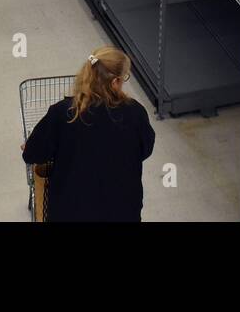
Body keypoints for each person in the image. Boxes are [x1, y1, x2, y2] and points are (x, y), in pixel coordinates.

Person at [21, 47, 155, 222]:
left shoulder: (63, 113)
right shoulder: (136, 113)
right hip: (121, 210)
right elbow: (145, 149)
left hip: (71, 211)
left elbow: (32, 154)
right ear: (115, 82)